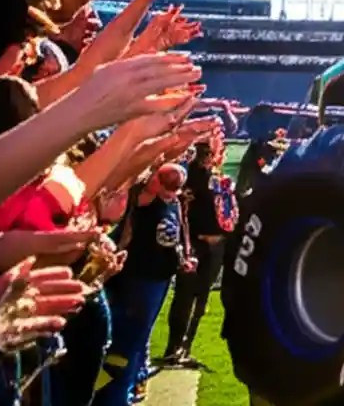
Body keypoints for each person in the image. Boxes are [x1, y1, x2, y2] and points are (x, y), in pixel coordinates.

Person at [93, 164, 191, 406]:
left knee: (140, 337)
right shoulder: (145, 199)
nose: (173, 191)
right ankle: (116, 396)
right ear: (156, 180)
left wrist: (184, 257)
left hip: (160, 279)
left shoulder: (173, 202)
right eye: (169, 184)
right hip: (140, 279)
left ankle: (133, 384)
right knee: (129, 340)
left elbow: (178, 233)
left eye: (177, 186)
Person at [163, 130, 238, 368]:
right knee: (186, 296)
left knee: (201, 297)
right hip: (194, 243)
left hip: (215, 244)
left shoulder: (217, 177)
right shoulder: (192, 175)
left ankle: (184, 347)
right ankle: (174, 347)